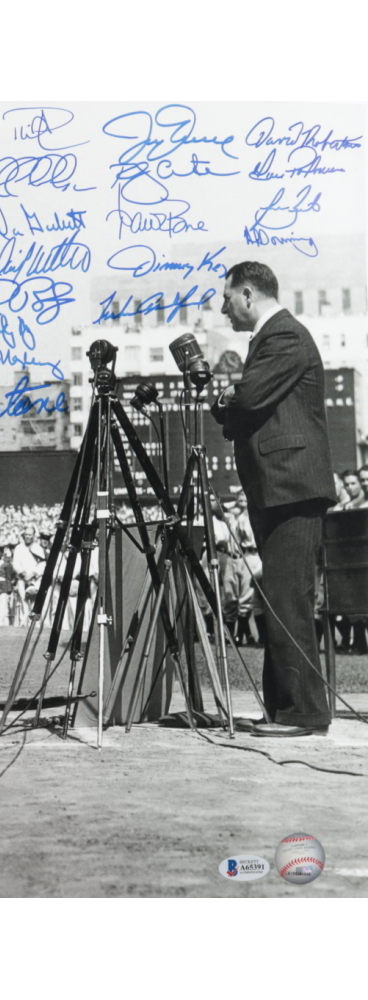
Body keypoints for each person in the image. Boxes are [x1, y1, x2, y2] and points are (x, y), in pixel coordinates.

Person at [212, 261, 336, 737]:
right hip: (280, 487)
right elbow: (246, 403)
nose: (223, 308)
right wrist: (232, 398)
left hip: (291, 488)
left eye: (227, 297)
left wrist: (223, 397)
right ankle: (282, 708)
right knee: (280, 600)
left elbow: (246, 401)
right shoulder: (274, 338)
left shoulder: (283, 335)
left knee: (288, 599)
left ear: (247, 294)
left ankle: (303, 712)